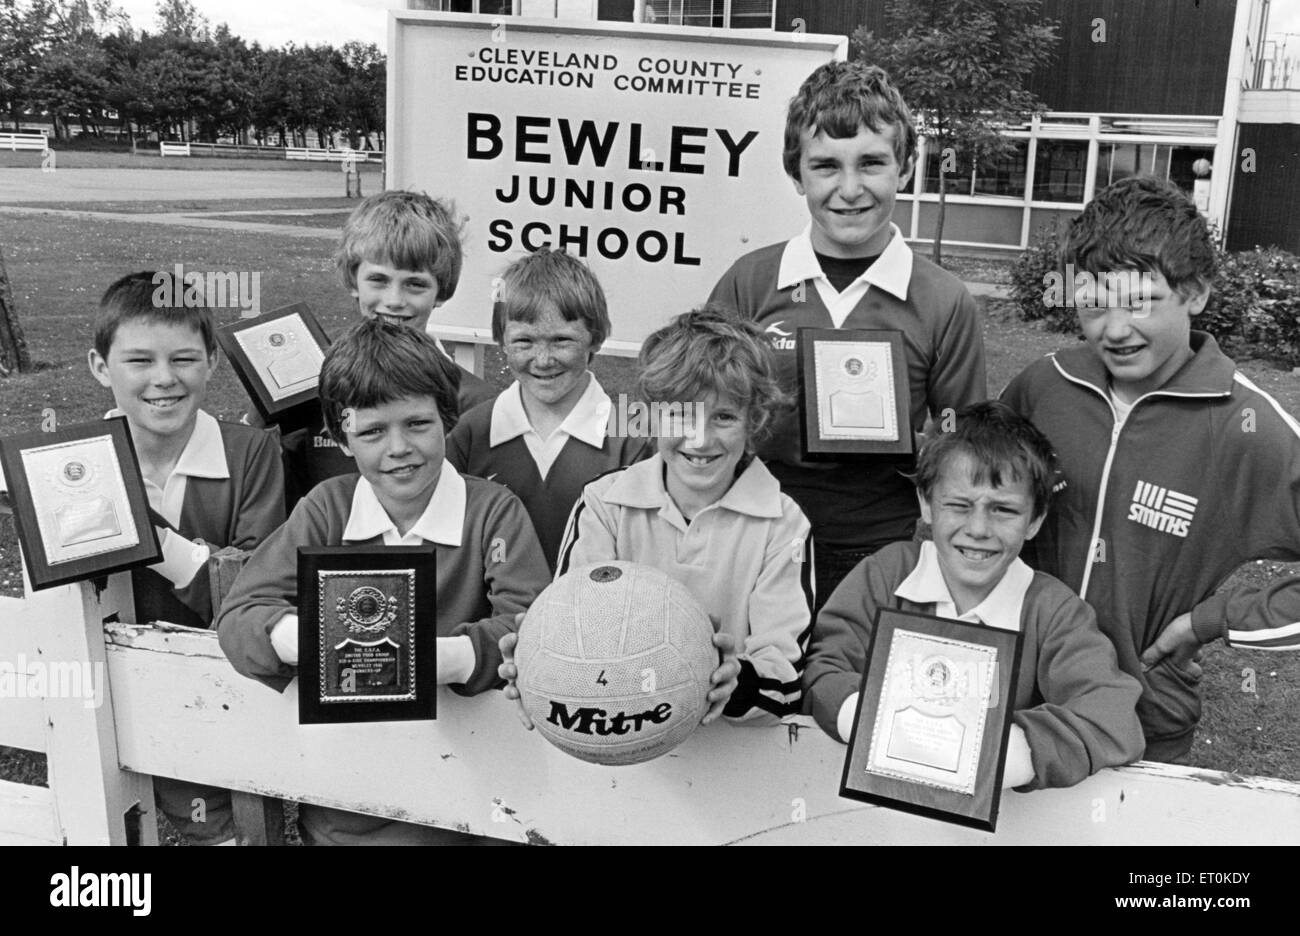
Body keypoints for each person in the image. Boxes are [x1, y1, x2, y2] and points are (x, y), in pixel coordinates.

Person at [1001, 175, 1300, 762]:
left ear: (1195, 292)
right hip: (1014, 697)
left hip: (1143, 721)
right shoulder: (1044, 387)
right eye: (1093, 303)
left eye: (1139, 302)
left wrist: (1210, 620)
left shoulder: (1246, 426)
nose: (1112, 329)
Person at [216, 318, 550, 844]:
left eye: (417, 424)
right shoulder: (327, 507)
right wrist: (322, 645)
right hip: (349, 810)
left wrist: (434, 659)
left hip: (475, 797)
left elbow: (529, 625)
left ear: (447, 421)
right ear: (342, 436)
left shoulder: (492, 512)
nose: (398, 448)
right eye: (372, 431)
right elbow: (240, 616)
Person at [708, 60, 986, 605]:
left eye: (873, 163)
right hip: (752, 535)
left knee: (844, 686)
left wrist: (919, 447)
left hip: (876, 547)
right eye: (827, 167)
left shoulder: (943, 301)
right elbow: (702, 410)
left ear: (905, 168)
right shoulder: (750, 282)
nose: (850, 189)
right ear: (796, 175)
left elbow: (964, 445)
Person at [804, 402, 1144, 789]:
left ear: (1034, 520)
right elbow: (824, 668)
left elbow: (1111, 718)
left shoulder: (1054, 612)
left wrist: (1009, 755)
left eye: (1003, 510)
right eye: (959, 506)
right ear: (926, 504)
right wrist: (870, 724)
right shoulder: (886, 574)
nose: (978, 529)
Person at [505, 307, 814, 724]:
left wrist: (732, 683)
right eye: (681, 415)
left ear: (753, 421)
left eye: (724, 417)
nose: (699, 439)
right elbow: (574, 626)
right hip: (617, 729)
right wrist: (539, 664)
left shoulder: (784, 524)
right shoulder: (605, 502)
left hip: (732, 757)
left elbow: (784, 679)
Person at [88, 271, 286, 843]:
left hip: (225, 687)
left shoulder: (250, 454)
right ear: (101, 367)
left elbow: (254, 591)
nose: (164, 380)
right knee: (106, 820)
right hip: (106, 687)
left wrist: (144, 534)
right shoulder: (74, 466)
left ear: (213, 361)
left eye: (183, 359)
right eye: (139, 361)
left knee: (223, 825)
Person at [280, 190, 497, 510]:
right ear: (354, 281)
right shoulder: (311, 391)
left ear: (442, 290)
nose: (394, 300)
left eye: (415, 284)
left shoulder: (476, 405)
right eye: (379, 280)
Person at [446, 249, 649, 571]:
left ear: (596, 338)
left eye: (561, 341)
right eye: (524, 342)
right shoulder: (469, 434)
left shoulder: (635, 435)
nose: (543, 359)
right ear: (500, 339)